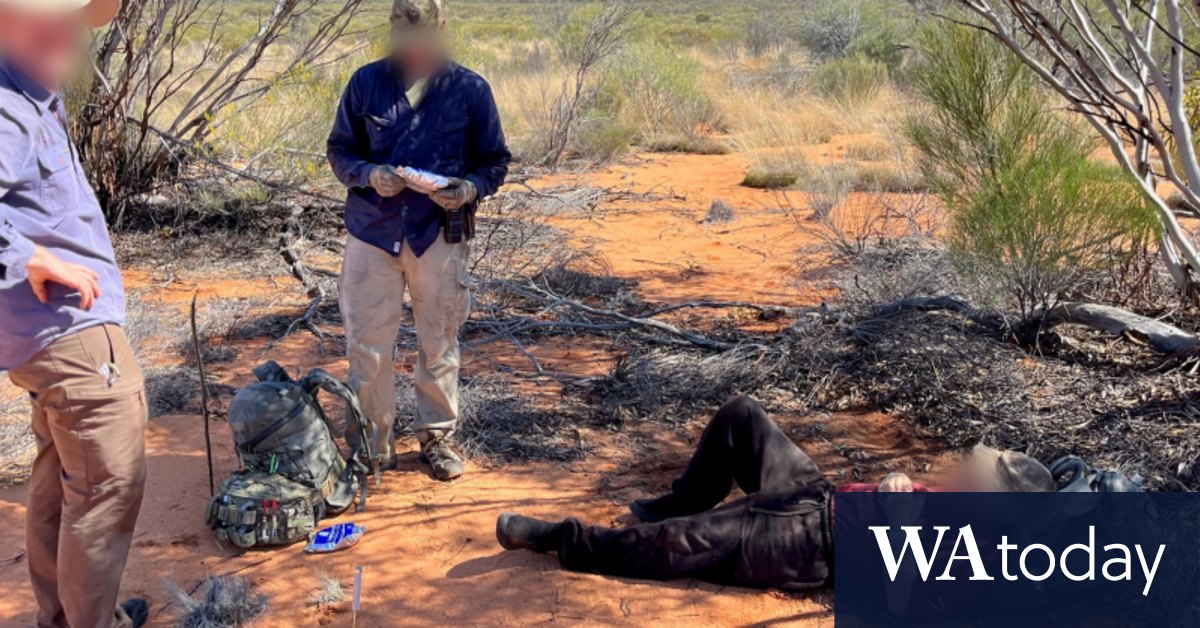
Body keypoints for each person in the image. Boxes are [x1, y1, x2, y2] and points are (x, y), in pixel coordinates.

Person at [495, 396, 1056, 591]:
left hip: (805, 547)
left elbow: (899, 606)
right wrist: (896, 486)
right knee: (744, 416)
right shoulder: (960, 502)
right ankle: (684, 496)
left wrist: (903, 533)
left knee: (675, 545)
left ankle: (562, 539)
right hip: (818, 494)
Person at [0, 1, 150, 626]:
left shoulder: (29, 94)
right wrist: (26, 254)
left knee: (63, 473)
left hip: (48, 337)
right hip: (68, 334)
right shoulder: (7, 104)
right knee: (108, 483)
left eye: (66, 17)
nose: (61, 30)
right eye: (40, 17)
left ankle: (63, 619)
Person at [327, 0, 510, 482]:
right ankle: (371, 447)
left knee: (439, 341)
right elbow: (340, 151)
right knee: (368, 346)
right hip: (373, 235)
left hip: (439, 238)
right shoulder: (366, 83)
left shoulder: (469, 89)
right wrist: (370, 174)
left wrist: (468, 189)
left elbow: (494, 162)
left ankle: (438, 438)